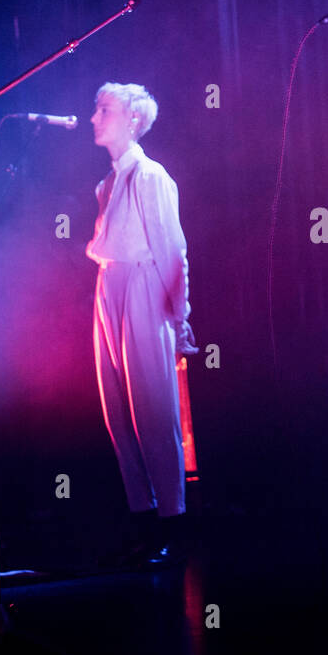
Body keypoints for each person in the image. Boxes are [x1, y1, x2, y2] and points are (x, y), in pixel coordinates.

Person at [86, 82, 197, 567]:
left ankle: (172, 521)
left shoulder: (151, 177)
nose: (94, 117)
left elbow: (172, 249)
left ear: (132, 119)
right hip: (109, 285)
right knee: (117, 410)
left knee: (152, 405)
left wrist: (180, 313)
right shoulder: (106, 184)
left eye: (104, 110)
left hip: (144, 284)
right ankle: (143, 518)